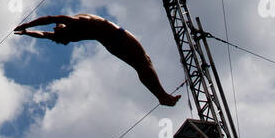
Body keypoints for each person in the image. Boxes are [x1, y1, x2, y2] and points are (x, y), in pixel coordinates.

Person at [14, 13, 181, 106]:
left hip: (111, 45)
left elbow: (46, 29)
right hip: (116, 36)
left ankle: (161, 96)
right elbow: (48, 24)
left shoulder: (71, 30)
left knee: (141, 65)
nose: (55, 29)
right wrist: (27, 27)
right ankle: (162, 96)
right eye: (58, 31)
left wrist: (27, 29)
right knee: (144, 62)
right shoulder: (72, 25)